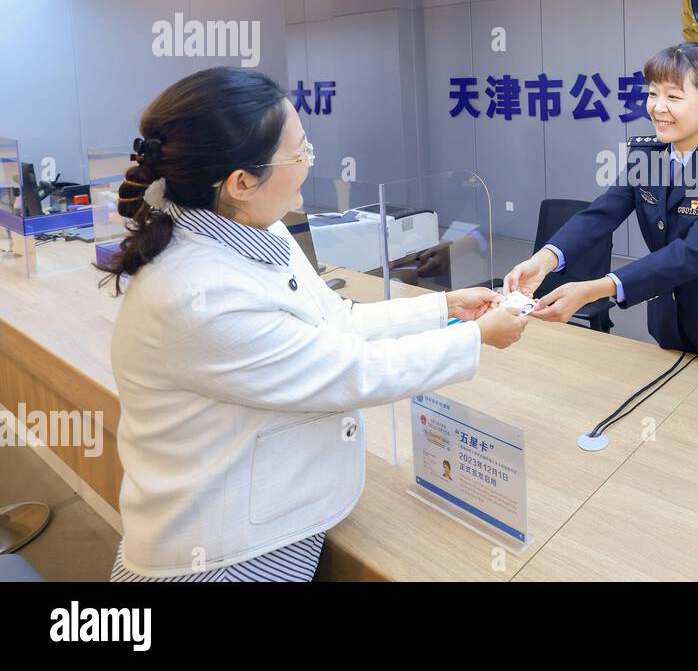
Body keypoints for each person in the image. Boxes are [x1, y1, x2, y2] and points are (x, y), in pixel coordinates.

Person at [97, 66, 527, 581]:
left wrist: (444, 308)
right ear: (241, 182)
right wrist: (476, 337)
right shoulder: (199, 294)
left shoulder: (258, 230)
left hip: (280, 527)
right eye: (300, 153)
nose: (309, 162)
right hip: (222, 560)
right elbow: (348, 372)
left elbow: (334, 321)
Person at [505, 42, 698, 372]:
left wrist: (596, 289)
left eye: (673, 97)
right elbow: (603, 213)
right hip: (671, 324)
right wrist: (543, 260)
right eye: (653, 94)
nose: (658, 108)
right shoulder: (647, 156)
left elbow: (695, 253)